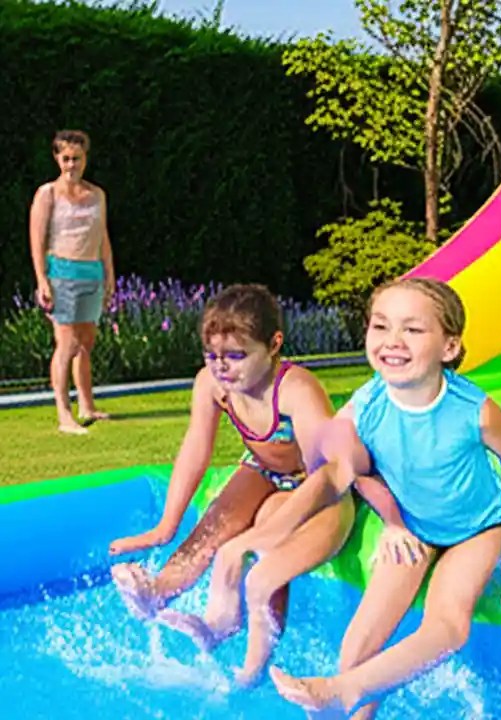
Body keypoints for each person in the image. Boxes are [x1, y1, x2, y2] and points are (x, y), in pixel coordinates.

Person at [182, 278, 501, 717]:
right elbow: (343, 474)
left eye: (413, 330)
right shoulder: (364, 408)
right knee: (354, 648)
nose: (392, 342)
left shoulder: (473, 410)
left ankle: (347, 692)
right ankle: (352, 700)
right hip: (413, 528)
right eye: (380, 326)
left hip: (476, 529)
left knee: (447, 624)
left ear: (449, 346)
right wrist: (391, 523)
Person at [106, 284, 354, 686]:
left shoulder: (295, 390)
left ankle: (253, 661)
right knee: (210, 529)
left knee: (268, 544)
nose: (222, 366)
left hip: (311, 483)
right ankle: (158, 591)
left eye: (236, 355)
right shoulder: (212, 384)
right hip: (260, 469)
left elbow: (327, 476)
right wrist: (164, 528)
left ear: (274, 344)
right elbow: (195, 451)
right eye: (212, 355)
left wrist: (259, 535)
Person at [28, 130, 117, 434]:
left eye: (76, 159)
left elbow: (103, 236)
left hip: (91, 273)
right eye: (65, 158)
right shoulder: (47, 194)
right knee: (65, 344)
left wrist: (109, 274)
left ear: (85, 159)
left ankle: (87, 405)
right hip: (61, 274)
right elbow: (37, 240)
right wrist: (42, 280)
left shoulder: (97, 195)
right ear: (57, 158)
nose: (71, 165)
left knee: (85, 344)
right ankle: (64, 414)